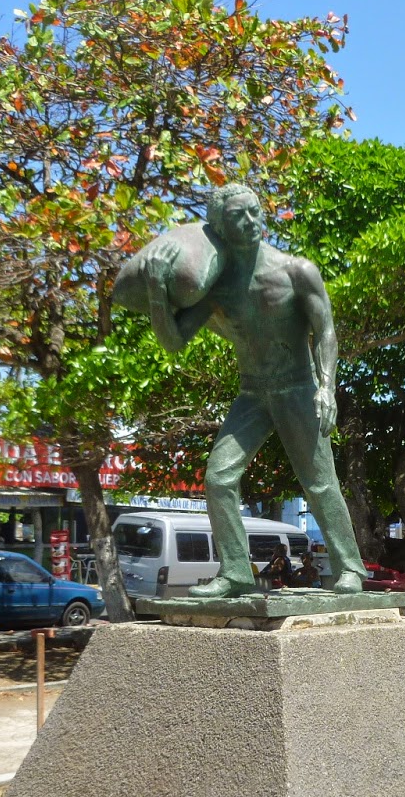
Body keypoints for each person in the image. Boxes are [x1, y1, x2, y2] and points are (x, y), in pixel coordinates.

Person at [119, 183, 368, 597]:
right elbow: (174, 342)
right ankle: (235, 571)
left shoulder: (297, 271)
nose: (251, 221)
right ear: (219, 226)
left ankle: (350, 568)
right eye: (238, 216)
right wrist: (157, 292)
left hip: (297, 388)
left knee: (319, 481)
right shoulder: (217, 287)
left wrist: (327, 388)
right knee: (218, 479)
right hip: (252, 394)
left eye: (254, 211)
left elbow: (325, 331)